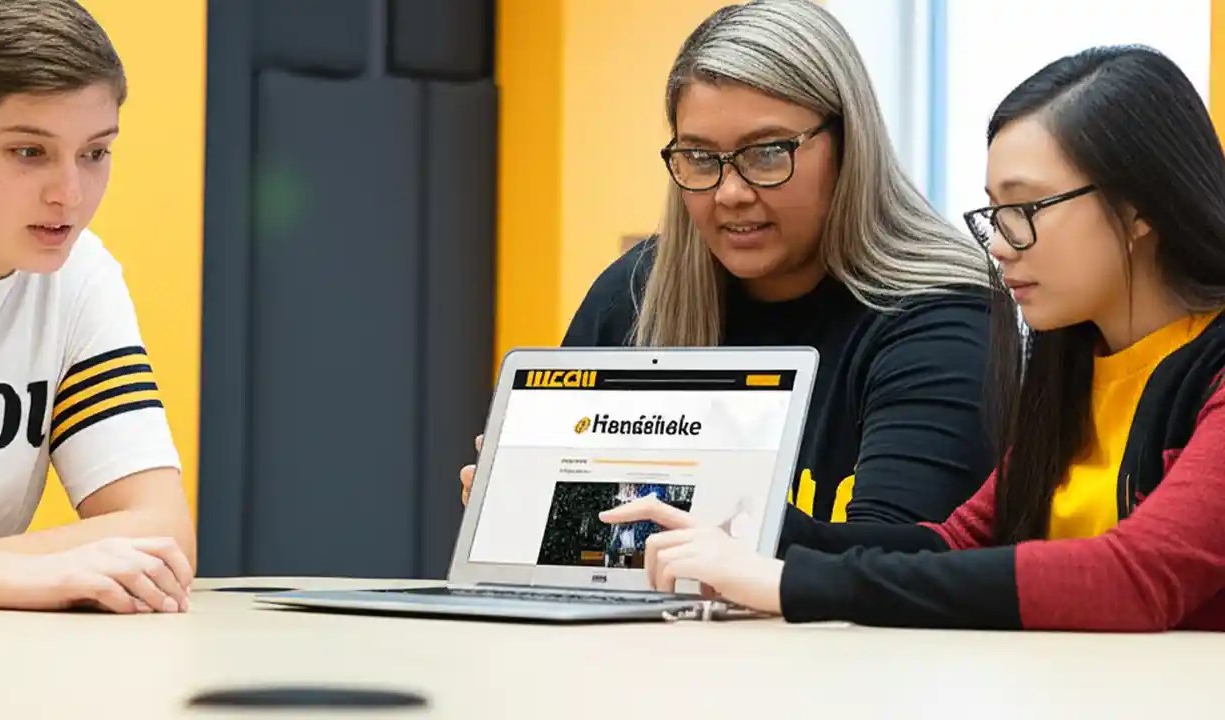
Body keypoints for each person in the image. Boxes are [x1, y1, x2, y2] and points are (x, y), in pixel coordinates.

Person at [604, 45, 1225, 632]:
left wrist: (791, 583)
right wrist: (740, 534)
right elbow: (950, 545)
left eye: (1026, 209)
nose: (1000, 244)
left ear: (1140, 209)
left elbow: (1134, 576)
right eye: (994, 213)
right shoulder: (1073, 364)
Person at [461, 0, 997, 532]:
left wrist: (672, 510)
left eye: (767, 153)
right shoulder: (635, 294)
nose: (730, 193)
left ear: (848, 145)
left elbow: (890, 561)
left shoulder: (942, 316)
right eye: (699, 158)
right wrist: (527, 515)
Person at [0, 0, 194, 612]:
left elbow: (161, 532)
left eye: (95, 152)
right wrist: (26, 578)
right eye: (29, 152)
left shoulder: (78, 275)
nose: (71, 194)